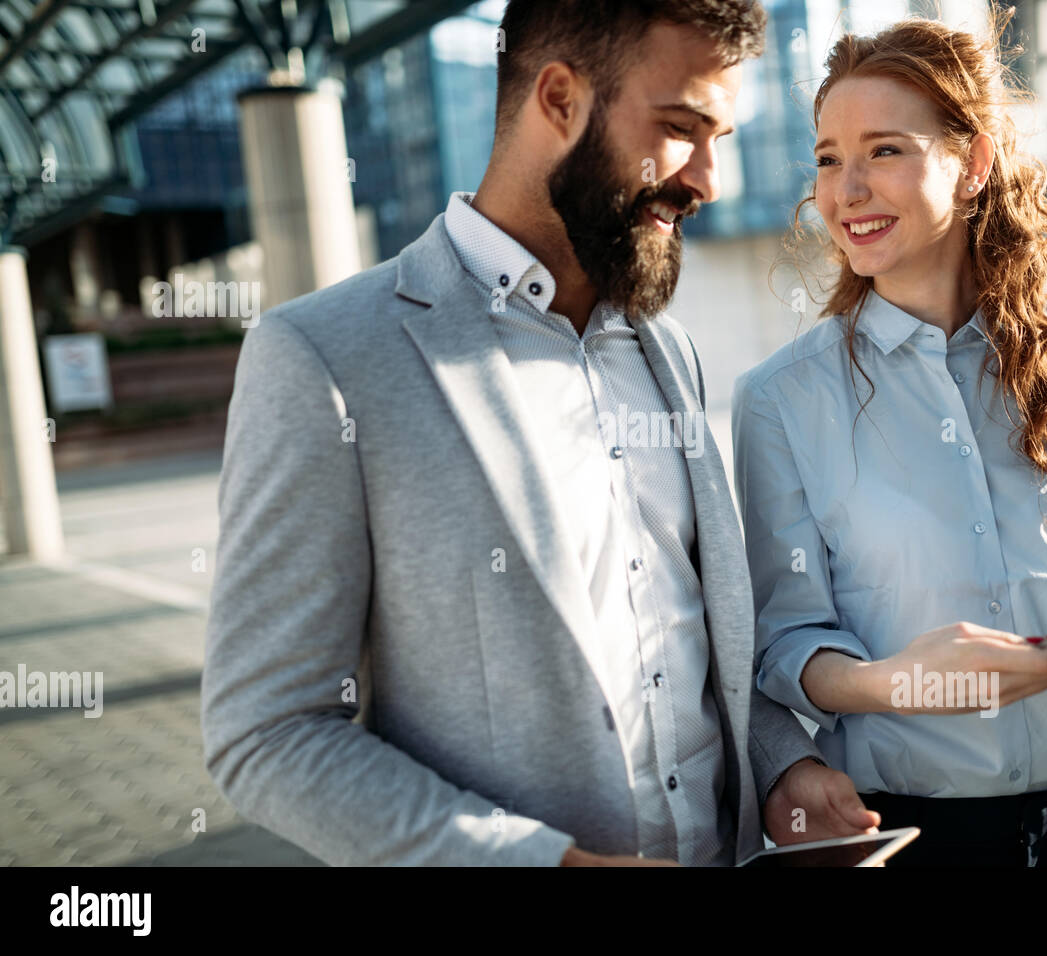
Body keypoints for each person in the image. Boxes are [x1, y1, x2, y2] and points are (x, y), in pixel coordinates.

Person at [201, 0, 878, 867]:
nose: (708, 179)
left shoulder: (668, 351)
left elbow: (698, 640)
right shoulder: (323, 358)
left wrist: (785, 763)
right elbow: (268, 733)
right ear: (558, 100)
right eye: (680, 128)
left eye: (722, 137)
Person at [731, 13, 1047, 867]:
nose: (847, 189)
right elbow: (784, 643)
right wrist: (898, 682)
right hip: (910, 838)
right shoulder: (779, 402)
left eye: (884, 151)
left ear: (973, 163)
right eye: (829, 158)